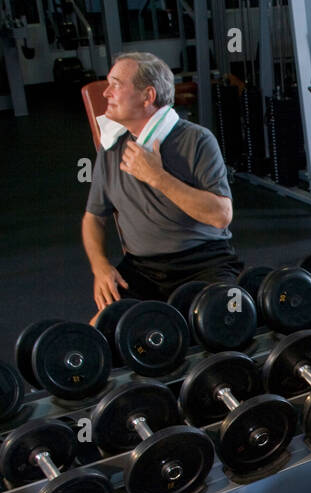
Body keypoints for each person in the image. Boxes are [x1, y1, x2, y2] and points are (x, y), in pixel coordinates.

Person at [82, 52, 244, 308]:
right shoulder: (111, 148)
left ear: (148, 96)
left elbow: (220, 216)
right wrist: (100, 267)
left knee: (222, 321)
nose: (106, 93)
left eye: (116, 85)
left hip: (204, 262)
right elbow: (94, 217)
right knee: (105, 331)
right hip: (143, 269)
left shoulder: (198, 140)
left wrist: (158, 177)